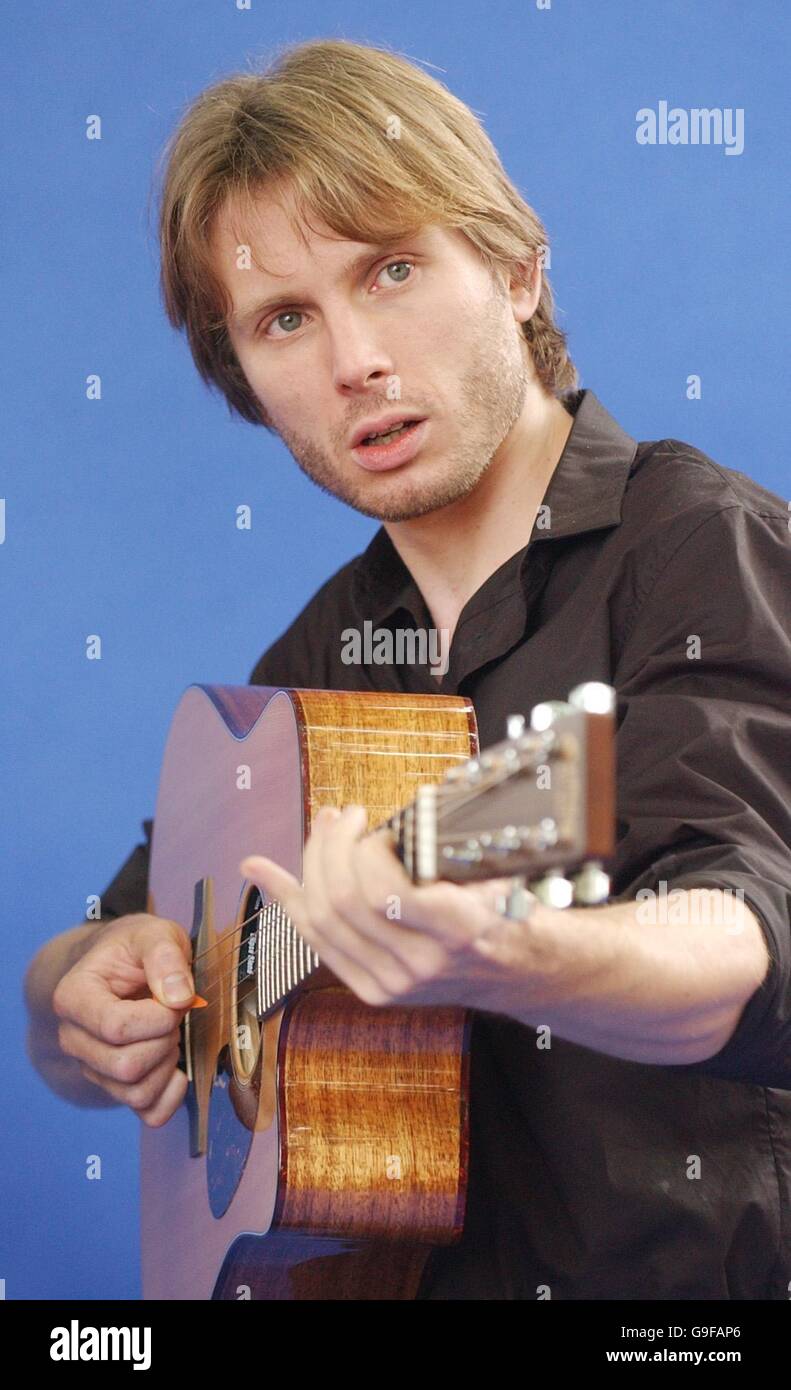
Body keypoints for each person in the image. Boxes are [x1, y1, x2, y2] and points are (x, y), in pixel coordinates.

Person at [24, 38, 791, 1299]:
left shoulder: (702, 551)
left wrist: (507, 958)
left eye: (389, 269)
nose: (353, 362)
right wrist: (82, 998)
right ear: (247, 384)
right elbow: (120, 938)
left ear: (516, 269)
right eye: (285, 319)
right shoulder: (314, 668)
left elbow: (747, 930)